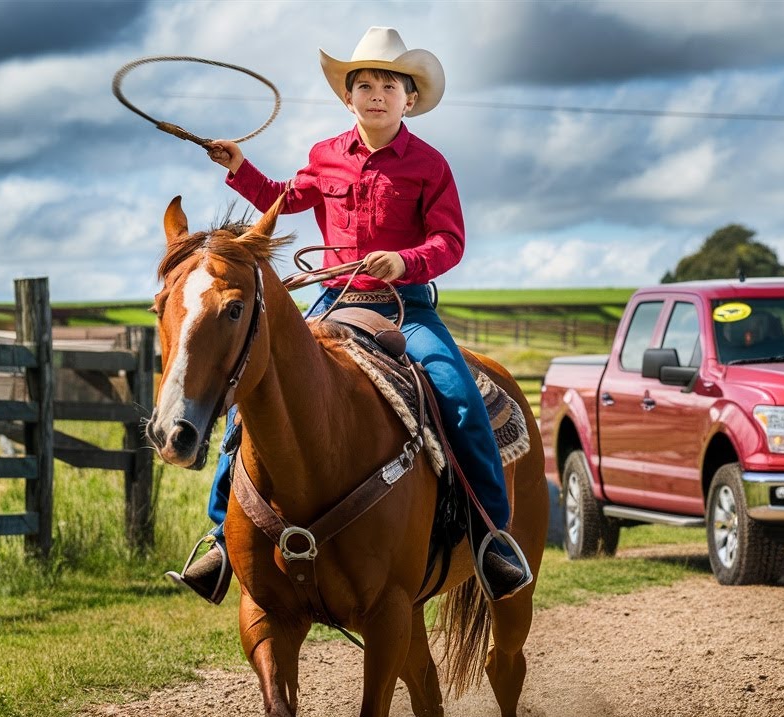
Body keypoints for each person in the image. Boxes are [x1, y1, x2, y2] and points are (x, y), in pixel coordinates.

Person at [165, 26, 532, 604]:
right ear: (348, 96)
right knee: (250, 399)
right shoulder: (326, 157)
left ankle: (492, 538)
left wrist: (405, 260)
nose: (376, 93)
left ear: (409, 99)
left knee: (459, 397)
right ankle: (219, 537)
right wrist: (240, 167)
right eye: (364, 84)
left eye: (389, 84)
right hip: (329, 303)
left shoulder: (430, 166)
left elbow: (449, 241)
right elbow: (282, 196)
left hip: (404, 307)